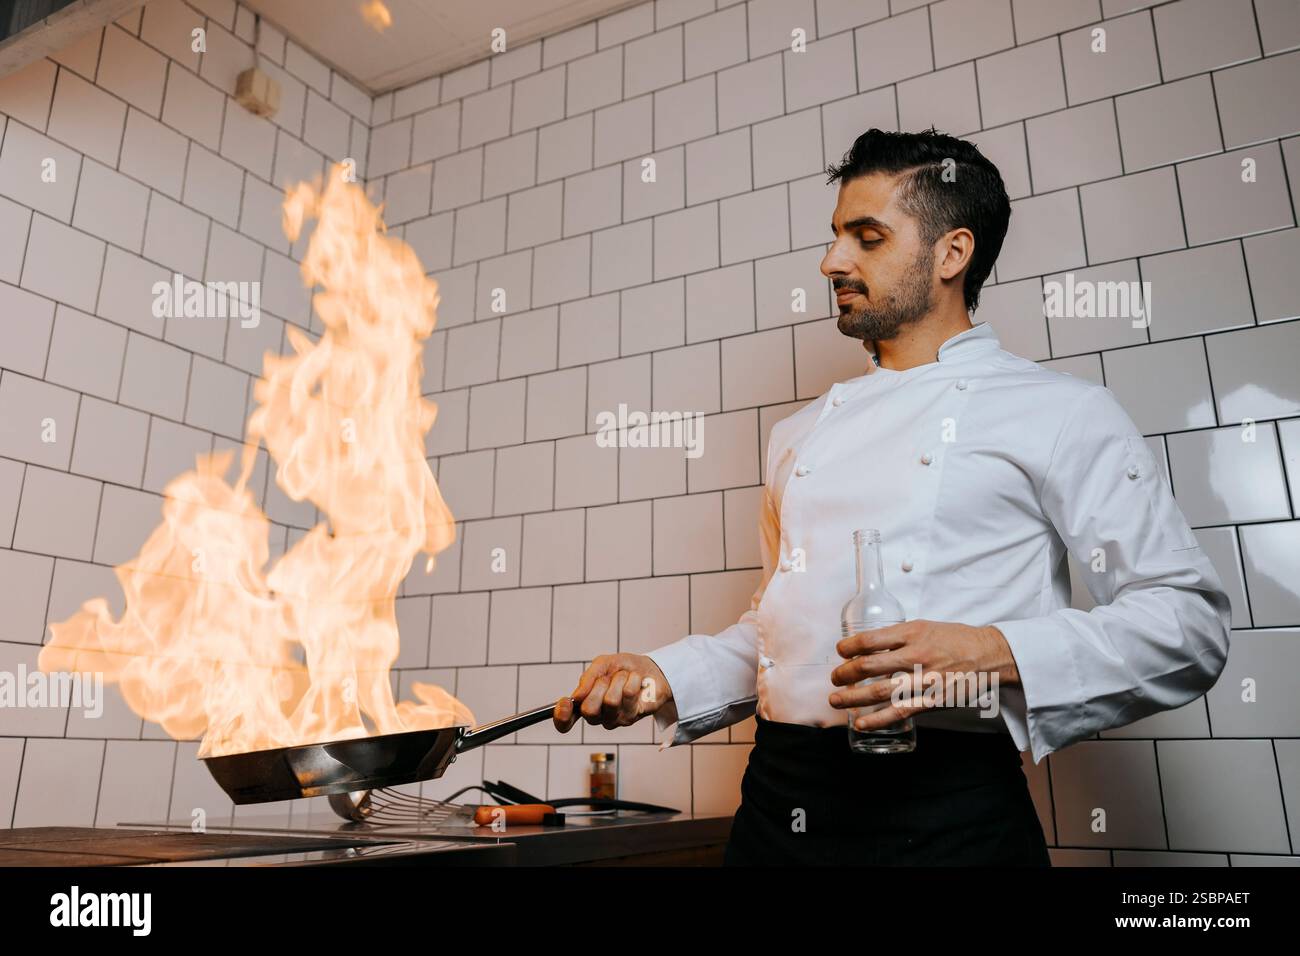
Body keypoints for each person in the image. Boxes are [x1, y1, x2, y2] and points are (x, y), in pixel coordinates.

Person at [552, 128, 1231, 866]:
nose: (831, 261)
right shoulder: (798, 436)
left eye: (866, 237)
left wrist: (992, 649)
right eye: (835, 236)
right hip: (776, 813)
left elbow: (1188, 623)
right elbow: (778, 633)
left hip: (948, 817)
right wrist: (662, 676)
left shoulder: (1060, 412)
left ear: (952, 254)